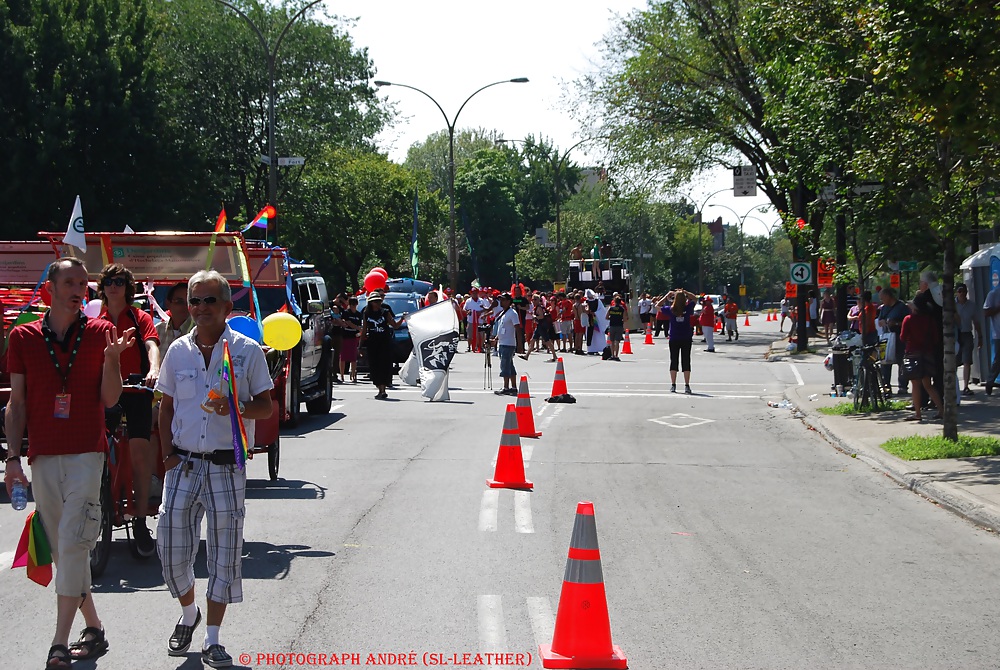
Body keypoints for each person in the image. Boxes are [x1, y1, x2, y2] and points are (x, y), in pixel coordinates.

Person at [4, 257, 134, 670]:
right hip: (42, 453)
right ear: (51, 288)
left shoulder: (100, 333)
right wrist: (11, 459)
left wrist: (113, 359)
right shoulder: (22, 337)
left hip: (86, 451)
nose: (80, 289)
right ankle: (93, 627)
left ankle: (58, 642)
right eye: (71, 282)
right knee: (65, 550)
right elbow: (16, 403)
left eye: (84, 283)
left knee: (76, 540)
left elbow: (111, 400)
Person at [155, 270, 273, 668]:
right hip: (184, 465)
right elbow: (166, 405)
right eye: (194, 301)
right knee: (170, 553)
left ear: (226, 307)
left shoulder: (245, 350)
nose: (201, 308)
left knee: (225, 555)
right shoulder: (177, 351)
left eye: (209, 301)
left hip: (226, 465)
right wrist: (167, 453)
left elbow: (265, 406)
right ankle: (189, 612)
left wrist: (235, 407)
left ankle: (212, 639)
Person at [97, 262, 161, 557]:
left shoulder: (139, 316)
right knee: (94, 448)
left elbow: (151, 345)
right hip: (103, 390)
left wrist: (155, 368)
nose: (114, 286)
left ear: (127, 286)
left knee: (139, 451)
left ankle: (138, 519)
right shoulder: (93, 317)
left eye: (120, 281)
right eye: (109, 280)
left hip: (135, 389)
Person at [900, 294, 943, 422]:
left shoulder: (908, 319)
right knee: (928, 384)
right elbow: (935, 338)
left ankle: (918, 413)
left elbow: (902, 337)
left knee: (916, 385)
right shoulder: (930, 320)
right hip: (928, 354)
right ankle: (941, 409)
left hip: (913, 353)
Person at [360, 292, 405, 399]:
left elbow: (395, 325)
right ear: (371, 302)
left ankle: (383, 389)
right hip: (372, 343)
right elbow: (364, 330)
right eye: (376, 301)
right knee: (374, 366)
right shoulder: (367, 313)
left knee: (384, 365)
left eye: (379, 301)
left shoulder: (385, 312)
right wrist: (360, 346)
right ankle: (379, 387)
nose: (378, 303)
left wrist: (402, 319)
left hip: (384, 342)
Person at [657, 288, 697, 393]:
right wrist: (686, 292)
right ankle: (687, 385)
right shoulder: (688, 308)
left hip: (674, 338)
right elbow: (695, 299)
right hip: (686, 338)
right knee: (686, 361)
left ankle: (673, 384)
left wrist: (667, 295)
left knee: (674, 361)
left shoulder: (671, 309)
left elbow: (657, 306)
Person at [877, 288, 910, 395]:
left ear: (888, 296)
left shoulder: (902, 307)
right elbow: (880, 320)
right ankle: (886, 386)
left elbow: (907, 322)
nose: (881, 300)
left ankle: (903, 386)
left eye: (882, 298)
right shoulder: (884, 308)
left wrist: (895, 324)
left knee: (902, 362)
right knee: (885, 362)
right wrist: (882, 322)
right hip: (886, 338)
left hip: (899, 338)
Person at [954, 284, 982, 396]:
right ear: (956, 292)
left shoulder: (971, 305)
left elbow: (976, 322)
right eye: (959, 291)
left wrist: (980, 337)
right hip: (955, 334)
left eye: (963, 291)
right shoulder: (952, 305)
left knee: (967, 361)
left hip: (967, 334)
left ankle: (965, 386)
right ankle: (954, 386)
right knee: (954, 361)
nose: (962, 293)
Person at [491, 292, 521, 395]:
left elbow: (517, 328)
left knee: (505, 366)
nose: (501, 302)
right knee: (510, 366)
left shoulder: (512, 313)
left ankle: (506, 387)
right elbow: (501, 328)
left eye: (503, 300)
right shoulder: (503, 313)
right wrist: (496, 338)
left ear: (509, 301)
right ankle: (513, 387)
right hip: (503, 342)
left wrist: (520, 344)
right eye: (501, 300)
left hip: (508, 343)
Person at [156, 282, 193, 354]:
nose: (185, 306)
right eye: (179, 301)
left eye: (189, 302)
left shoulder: (199, 333)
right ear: (168, 304)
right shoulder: (157, 330)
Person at [340, 296, 363, 383]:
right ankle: (342, 375)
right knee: (343, 356)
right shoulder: (346, 313)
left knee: (353, 357)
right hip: (345, 335)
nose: (353, 306)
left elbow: (360, 324)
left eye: (355, 304)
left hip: (354, 336)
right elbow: (348, 322)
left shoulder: (358, 314)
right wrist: (357, 327)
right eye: (352, 304)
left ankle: (353, 374)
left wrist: (360, 331)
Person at [984, 279, 1000, 396]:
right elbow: (986, 312)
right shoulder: (993, 294)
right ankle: (990, 382)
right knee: (998, 361)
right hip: (998, 333)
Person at [463, 288, 490, 353]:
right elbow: (464, 309)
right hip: (471, 320)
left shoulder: (481, 300)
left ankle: (480, 346)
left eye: (475, 293)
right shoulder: (468, 301)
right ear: (471, 294)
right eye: (473, 293)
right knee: (470, 334)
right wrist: (468, 311)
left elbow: (486, 308)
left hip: (479, 320)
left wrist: (480, 312)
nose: (474, 294)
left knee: (481, 334)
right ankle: (469, 346)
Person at [606, 293, 627, 360]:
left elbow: (606, 317)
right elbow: (625, 318)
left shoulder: (611, 308)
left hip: (612, 325)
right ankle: (616, 355)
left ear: (614, 301)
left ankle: (612, 355)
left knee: (612, 341)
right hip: (619, 325)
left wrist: (611, 318)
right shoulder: (622, 309)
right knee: (617, 341)